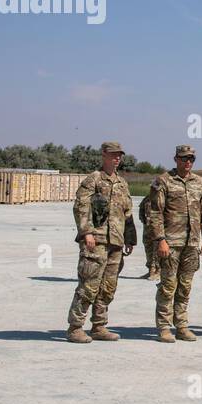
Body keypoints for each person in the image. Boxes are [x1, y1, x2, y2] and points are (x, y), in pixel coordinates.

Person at [65, 141, 135, 344]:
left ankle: (99, 326)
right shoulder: (93, 180)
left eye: (119, 155)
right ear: (103, 155)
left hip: (116, 242)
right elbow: (81, 207)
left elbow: (127, 212)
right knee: (89, 285)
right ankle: (75, 327)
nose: (117, 158)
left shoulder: (122, 183)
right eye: (113, 155)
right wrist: (86, 232)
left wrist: (129, 238)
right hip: (96, 241)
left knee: (108, 287)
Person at [148, 145, 202, 343]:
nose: (188, 162)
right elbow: (155, 213)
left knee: (185, 286)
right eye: (184, 158)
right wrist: (160, 240)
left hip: (191, 243)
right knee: (168, 286)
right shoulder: (163, 181)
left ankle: (182, 325)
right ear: (176, 159)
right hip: (170, 243)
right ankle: (164, 327)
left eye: (191, 159)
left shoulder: (200, 183)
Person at [138, 192, 159, 281]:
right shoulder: (147, 198)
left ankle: (157, 271)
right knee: (148, 249)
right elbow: (141, 209)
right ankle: (150, 269)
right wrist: (144, 221)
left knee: (157, 250)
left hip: (158, 229)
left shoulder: (162, 198)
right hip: (147, 228)